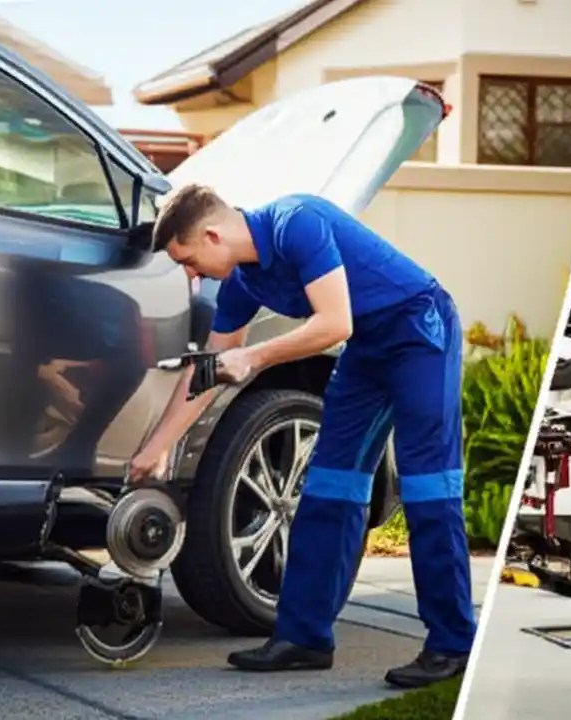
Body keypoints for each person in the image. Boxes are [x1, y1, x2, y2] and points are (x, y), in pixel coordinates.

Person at [127, 183, 475, 688]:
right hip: (367, 351)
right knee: (329, 486)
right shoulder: (242, 285)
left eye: (189, 259)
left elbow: (334, 322)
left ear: (211, 233)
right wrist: (156, 450)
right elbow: (205, 372)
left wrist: (254, 356)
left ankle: (452, 642)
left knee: (428, 486)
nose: (191, 274)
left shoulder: (298, 222)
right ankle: (303, 637)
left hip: (418, 329)